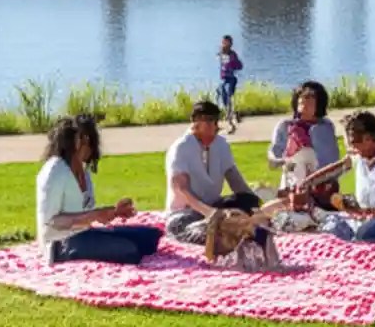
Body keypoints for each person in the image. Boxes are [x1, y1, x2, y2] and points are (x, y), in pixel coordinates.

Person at [36, 115, 162, 265]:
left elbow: (86, 212)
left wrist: (114, 212)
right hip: (60, 243)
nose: (89, 145)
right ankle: (69, 256)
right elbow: (52, 222)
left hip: (84, 233)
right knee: (129, 251)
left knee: (150, 237)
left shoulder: (84, 172)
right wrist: (92, 215)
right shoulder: (55, 171)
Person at [294, 111, 375, 242]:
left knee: (364, 235)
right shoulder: (358, 158)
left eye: (355, 143)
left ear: (369, 139)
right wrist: (307, 182)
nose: (352, 148)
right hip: (367, 215)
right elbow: (334, 169)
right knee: (333, 228)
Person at [166, 101, 261, 227]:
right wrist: (208, 212)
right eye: (209, 121)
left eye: (216, 120)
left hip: (214, 206)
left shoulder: (221, 144)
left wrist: (256, 205)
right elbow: (180, 189)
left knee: (247, 201)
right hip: (186, 213)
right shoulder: (181, 147)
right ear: (195, 122)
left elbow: (235, 180)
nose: (214, 126)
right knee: (211, 231)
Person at [267, 82, 342, 205]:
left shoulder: (325, 127)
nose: (304, 107)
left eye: (310, 103)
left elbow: (331, 160)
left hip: (321, 187)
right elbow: (274, 155)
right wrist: (282, 161)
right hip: (292, 182)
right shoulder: (285, 125)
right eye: (301, 103)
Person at [217, 35, 244, 133]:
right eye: (223, 42)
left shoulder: (232, 55)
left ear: (230, 44)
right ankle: (232, 115)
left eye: (226, 42)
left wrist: (233, 63)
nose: (224, 44)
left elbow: (239, 66)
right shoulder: (221, 53)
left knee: (228, 99)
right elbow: (221, 62)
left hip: (231, 79)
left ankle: (231, 124)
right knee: (221, 99)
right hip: (223, 80)